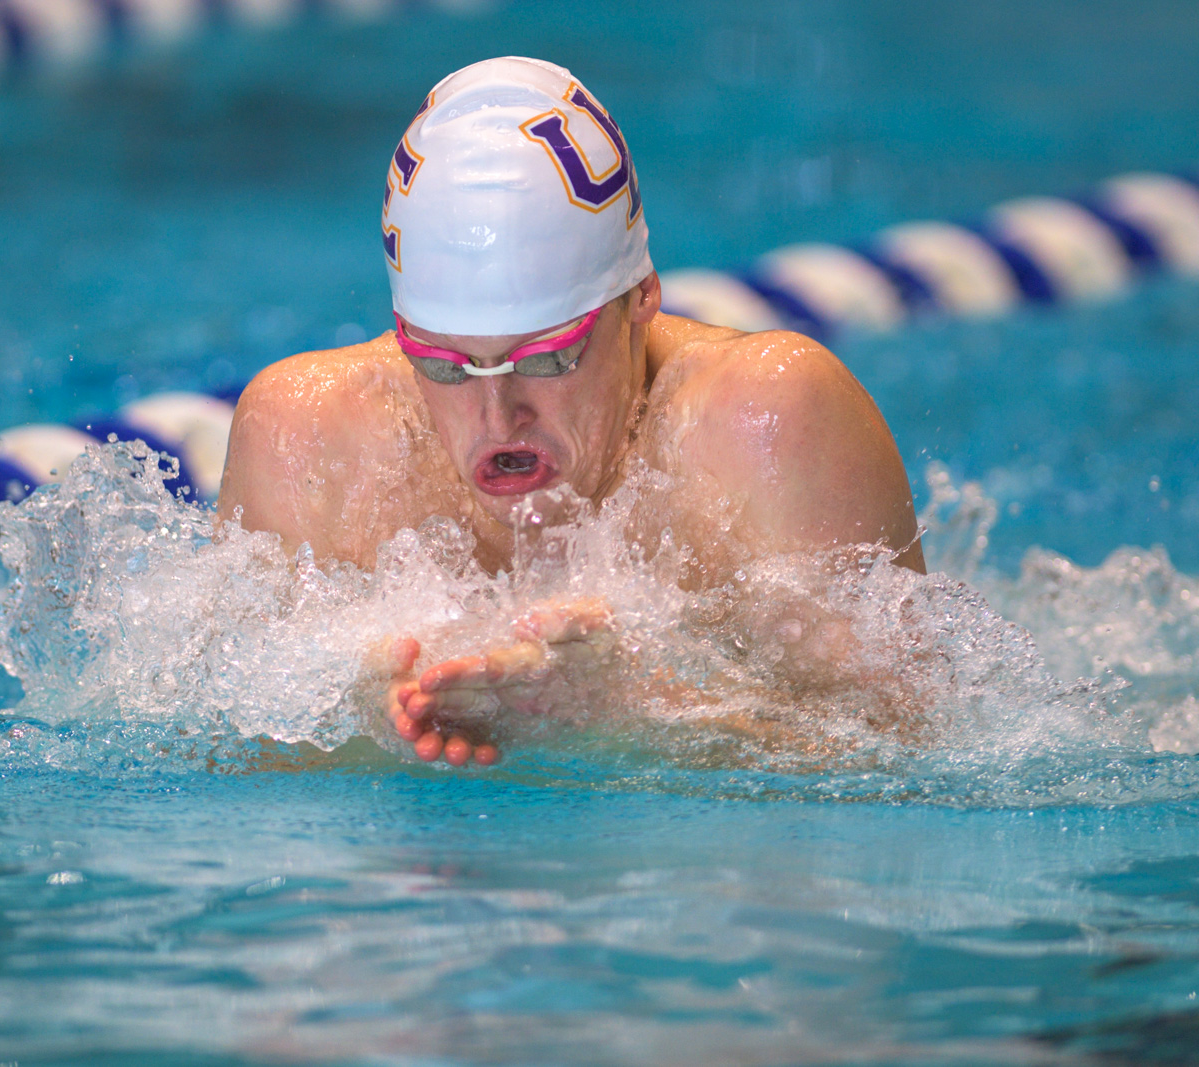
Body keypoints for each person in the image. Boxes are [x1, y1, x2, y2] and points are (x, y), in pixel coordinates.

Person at [217, 57, 924, 766]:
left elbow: (912, 753)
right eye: (443, 365)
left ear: (641, 296)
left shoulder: (767, 420)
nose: (498, 416)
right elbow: (218, 766)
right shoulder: (309, 442)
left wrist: (635, 713)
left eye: (546, 359)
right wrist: (345, 720)